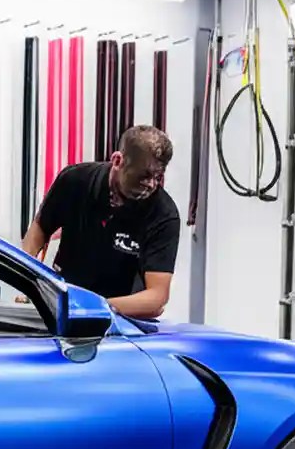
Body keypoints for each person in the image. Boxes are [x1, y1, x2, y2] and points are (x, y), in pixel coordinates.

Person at [21, 125, 180, 319]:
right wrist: (24, 279)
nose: (151, 184)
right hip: (61, 304)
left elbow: (157, 297)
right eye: (144, 175)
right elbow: (40, 228)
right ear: (118, 160)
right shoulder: (74, 180)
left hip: (120, 319)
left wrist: (89, 308)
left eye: (158, 177)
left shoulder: (163, 214)